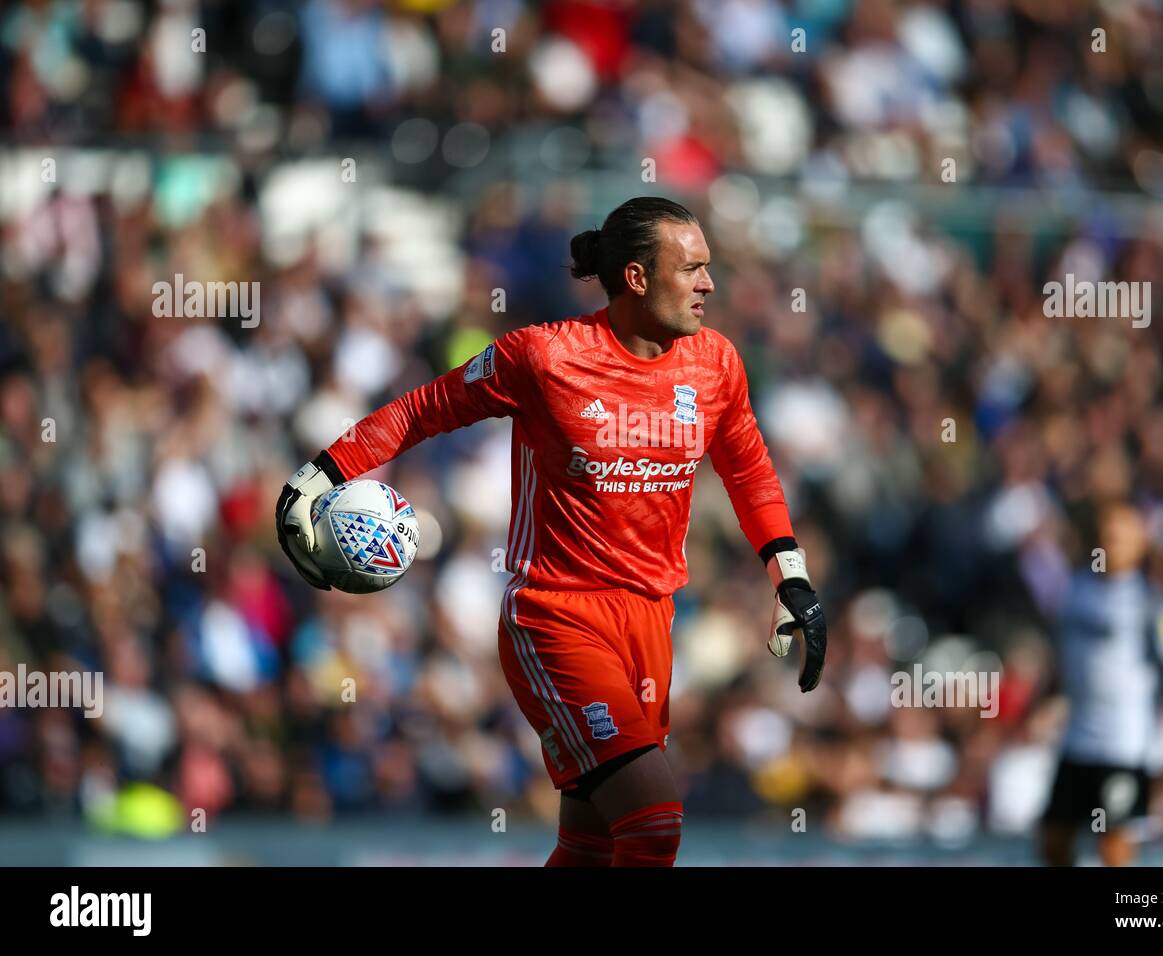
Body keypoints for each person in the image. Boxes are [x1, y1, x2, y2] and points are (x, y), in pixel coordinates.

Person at [274, 197, 828, 866]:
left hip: (652, 620)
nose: (709, 283)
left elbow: (750, 472)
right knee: (653, 823)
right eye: (691, 269)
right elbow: (425, 410)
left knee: (591, 845)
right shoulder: (545, 357)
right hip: (557, 615)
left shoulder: (715, 365)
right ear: (636, 277)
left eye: (708, 267)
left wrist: (788, 574)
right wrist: (318, 476)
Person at [1038, 502, 1163, 866]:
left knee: (1114, 843)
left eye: (1121, 538)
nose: (1111, 545)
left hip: (1124, 746)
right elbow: (1061, 658)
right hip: (1077, 739)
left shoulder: (1157, 603)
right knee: (1054, 838)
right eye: (1107, 536)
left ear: (1140, 544)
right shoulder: (1075, 589)